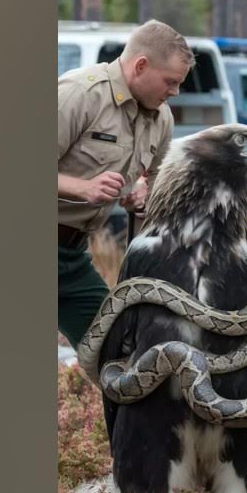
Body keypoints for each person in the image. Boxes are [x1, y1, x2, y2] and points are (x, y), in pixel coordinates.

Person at [57, 20, 193, 348]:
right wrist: (83, 188)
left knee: (117, 354)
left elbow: (155, 194)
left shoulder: (162, 119)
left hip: (71, 257)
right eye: (170, 82)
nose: (174, 92)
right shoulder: (80, 94)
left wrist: (143, 199)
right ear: (141, 65)